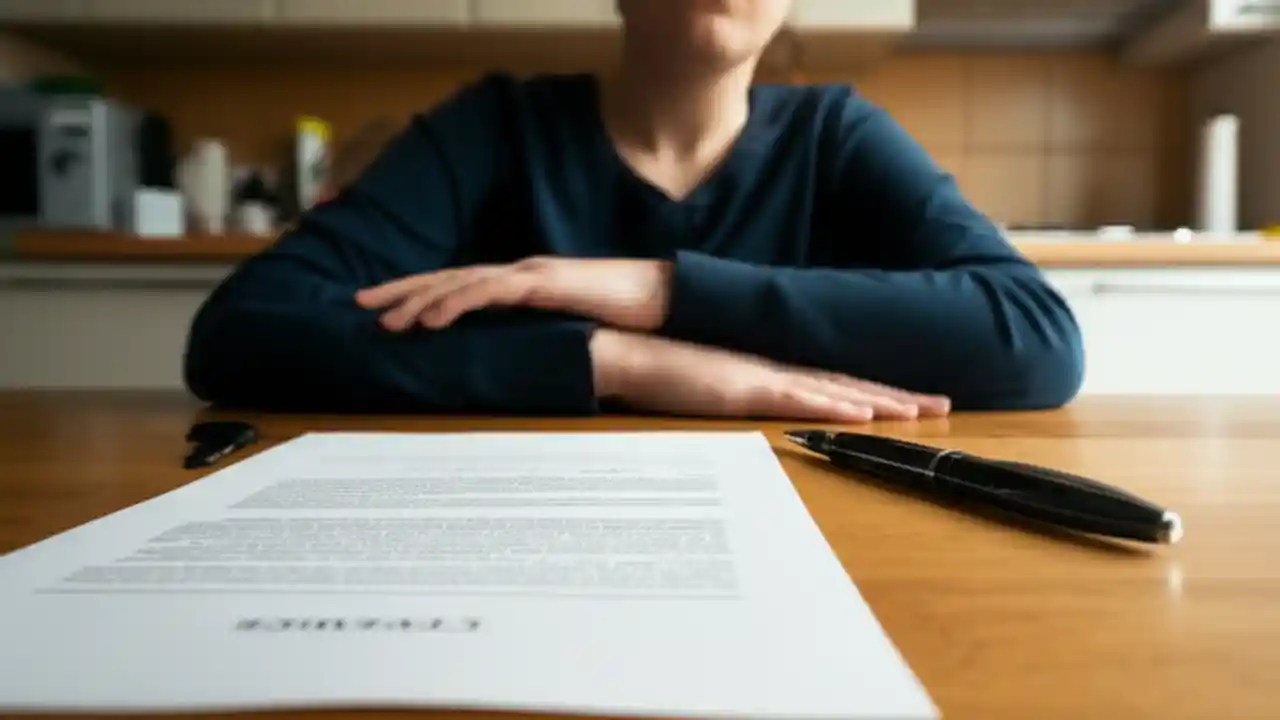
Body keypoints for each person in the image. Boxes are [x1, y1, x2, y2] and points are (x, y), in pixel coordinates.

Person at [184, 0, 1083, 421]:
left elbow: (1037, 338)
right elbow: (246, 331)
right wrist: (611, 360)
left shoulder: (836, 136)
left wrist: (656, 290)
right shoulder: (494, 129)